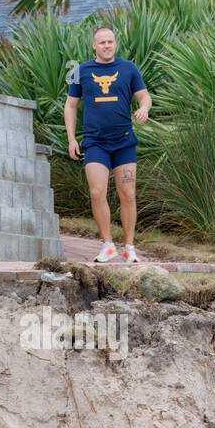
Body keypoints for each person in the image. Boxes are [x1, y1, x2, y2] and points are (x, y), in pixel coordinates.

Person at [64, 26, 152, 265]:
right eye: (102, 42)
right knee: (96, 192)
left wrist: (144, 107)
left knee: (128, 193)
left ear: (115, 44)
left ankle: (129, 248)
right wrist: (72, 139)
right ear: (94, 45)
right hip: (95, 143)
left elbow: (144, 96)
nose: (106, 45)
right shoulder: (80, 71)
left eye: (110, 42)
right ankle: (108, 245)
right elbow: (71, 105)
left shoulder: (128, 68)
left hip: (124, 142)